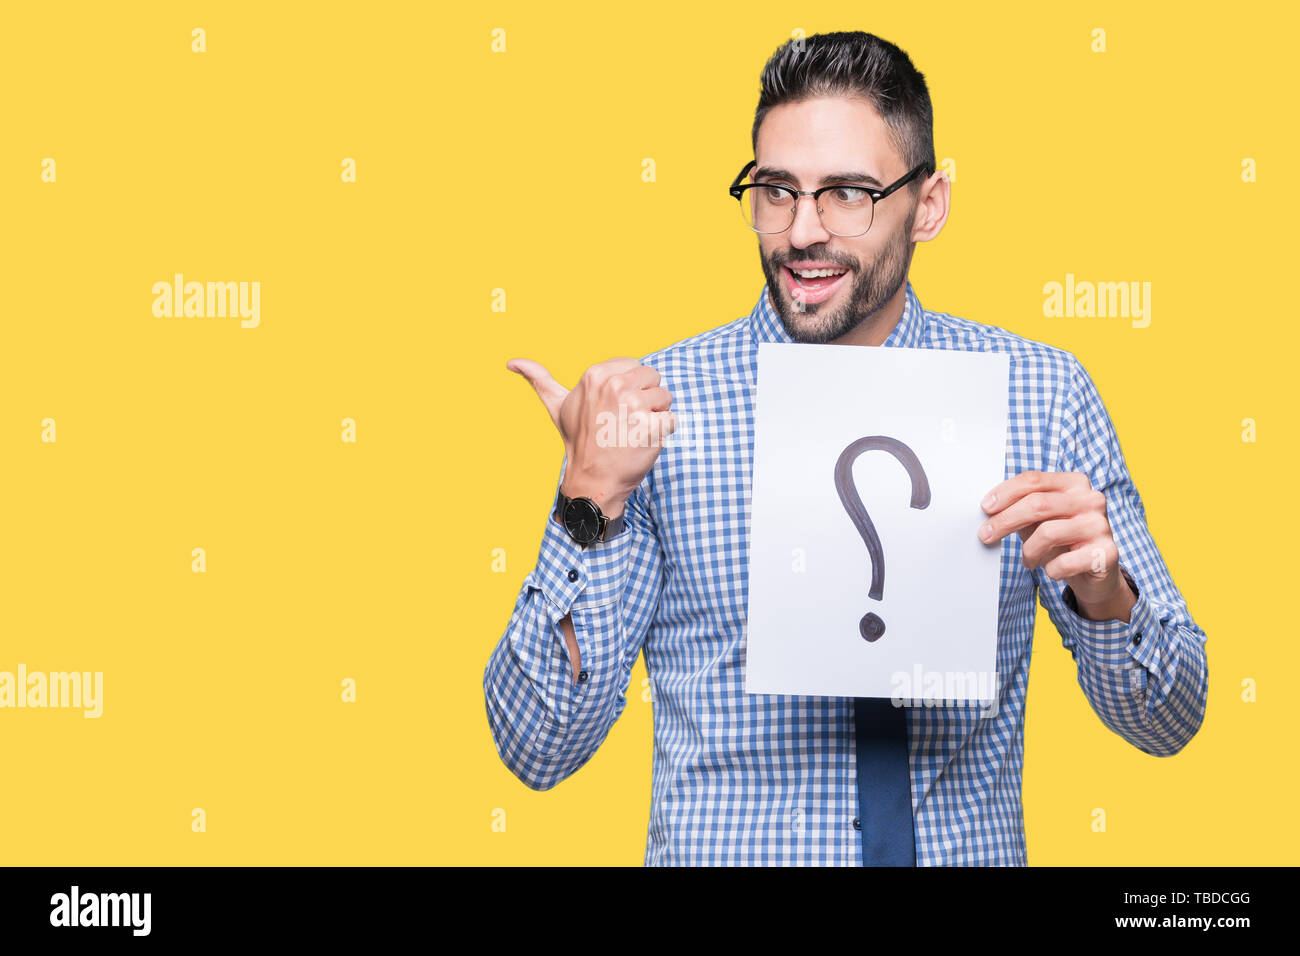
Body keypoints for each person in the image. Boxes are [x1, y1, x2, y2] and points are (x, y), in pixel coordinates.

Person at [482, 30, 1208, 866]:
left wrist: (1104, 596)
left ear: (928, 204)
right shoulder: (656, 411)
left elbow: (1170, 720)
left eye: (848, 194)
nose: (801, 233)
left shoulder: (1039, 395)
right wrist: (587, 502)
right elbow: (537, 746)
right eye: (777, 191)